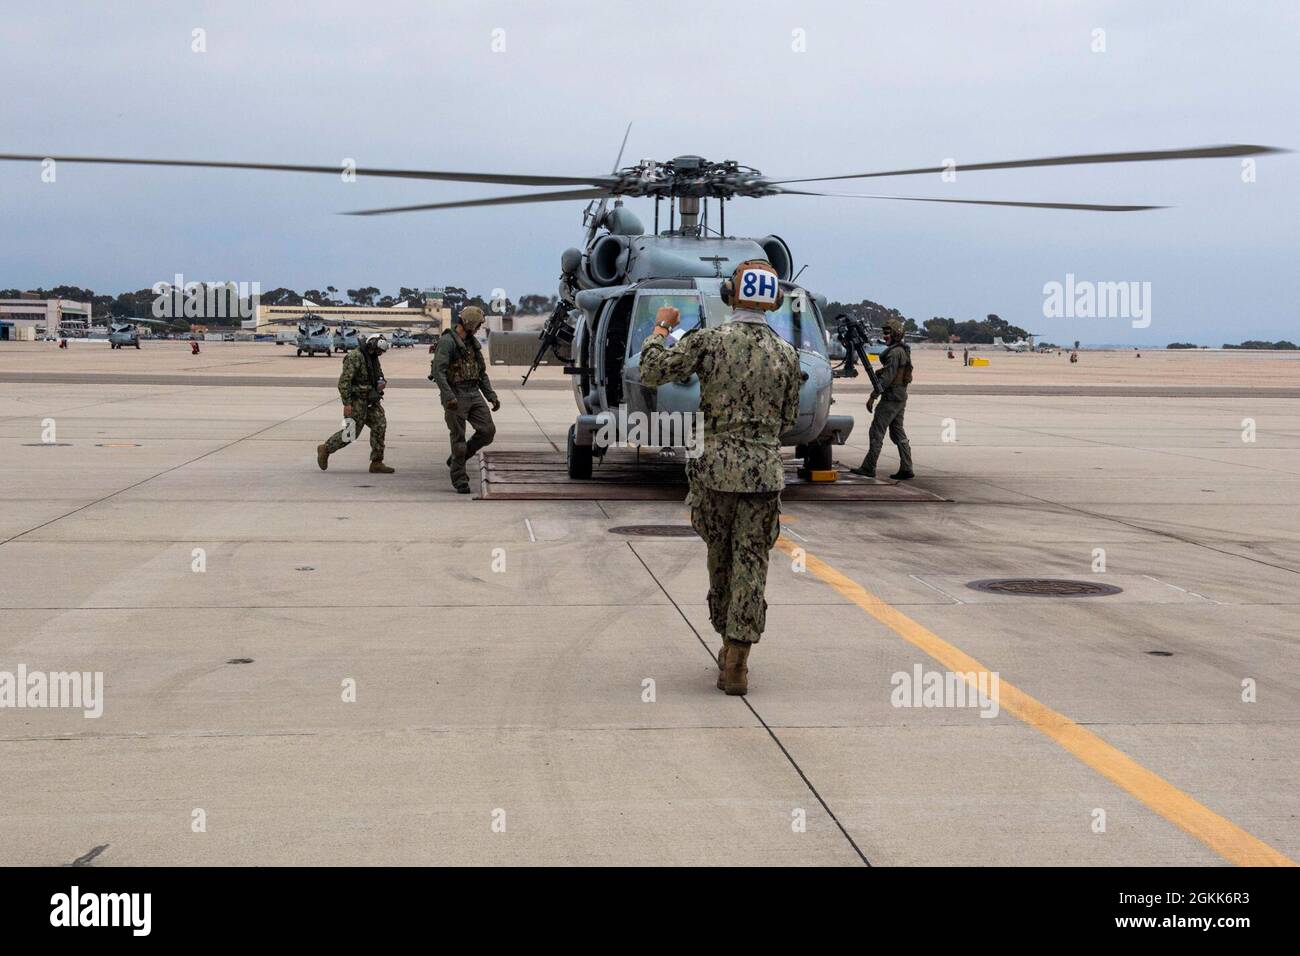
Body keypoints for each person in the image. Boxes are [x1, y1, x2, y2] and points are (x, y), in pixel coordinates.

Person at [639, 260, 801, 696]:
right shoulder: (788, 354)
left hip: (714, 471)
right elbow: (787, 418)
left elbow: (651, 370)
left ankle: (724, 633)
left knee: (720, 556)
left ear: (731, 296)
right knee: (753, 562)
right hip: (764, 474)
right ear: (774, 301)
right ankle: (738, 658)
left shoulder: (709, 341)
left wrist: (660, 327)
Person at [431, 306, 499, 494]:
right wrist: (449, 396)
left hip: (473, 392)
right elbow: (439, 372)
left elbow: (481, 373)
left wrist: (490, 395)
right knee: (458, 440)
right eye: (477, 325)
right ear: (469, 324)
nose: (478, 329)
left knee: (487, 431)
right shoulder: (447, 342)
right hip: (456, 394)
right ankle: (459, 478)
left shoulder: (472, 343)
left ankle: (455, 459)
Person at [317, 333, 393, 473]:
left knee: (380, 424)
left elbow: (377, 375)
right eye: (378, 350)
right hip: (356, 401)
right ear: (371, 346)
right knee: (351, 433)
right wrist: (347, 403)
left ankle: (377, 462)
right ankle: (326, 448)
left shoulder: (372, 358)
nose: (380, 354)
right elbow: (344, 382)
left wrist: (380, 383)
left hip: (371, 400)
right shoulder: (355, 357)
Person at [851, 318, 913, 480]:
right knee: (898, 432)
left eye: (887, 333)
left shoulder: (894, 353)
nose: (884, 336)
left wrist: (873, 396)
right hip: (900, 396)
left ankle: (869, 467)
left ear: (895, 334)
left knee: (876, 431)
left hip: (891, 397)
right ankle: (907, 467)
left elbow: (887, 378)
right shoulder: (902, 351)